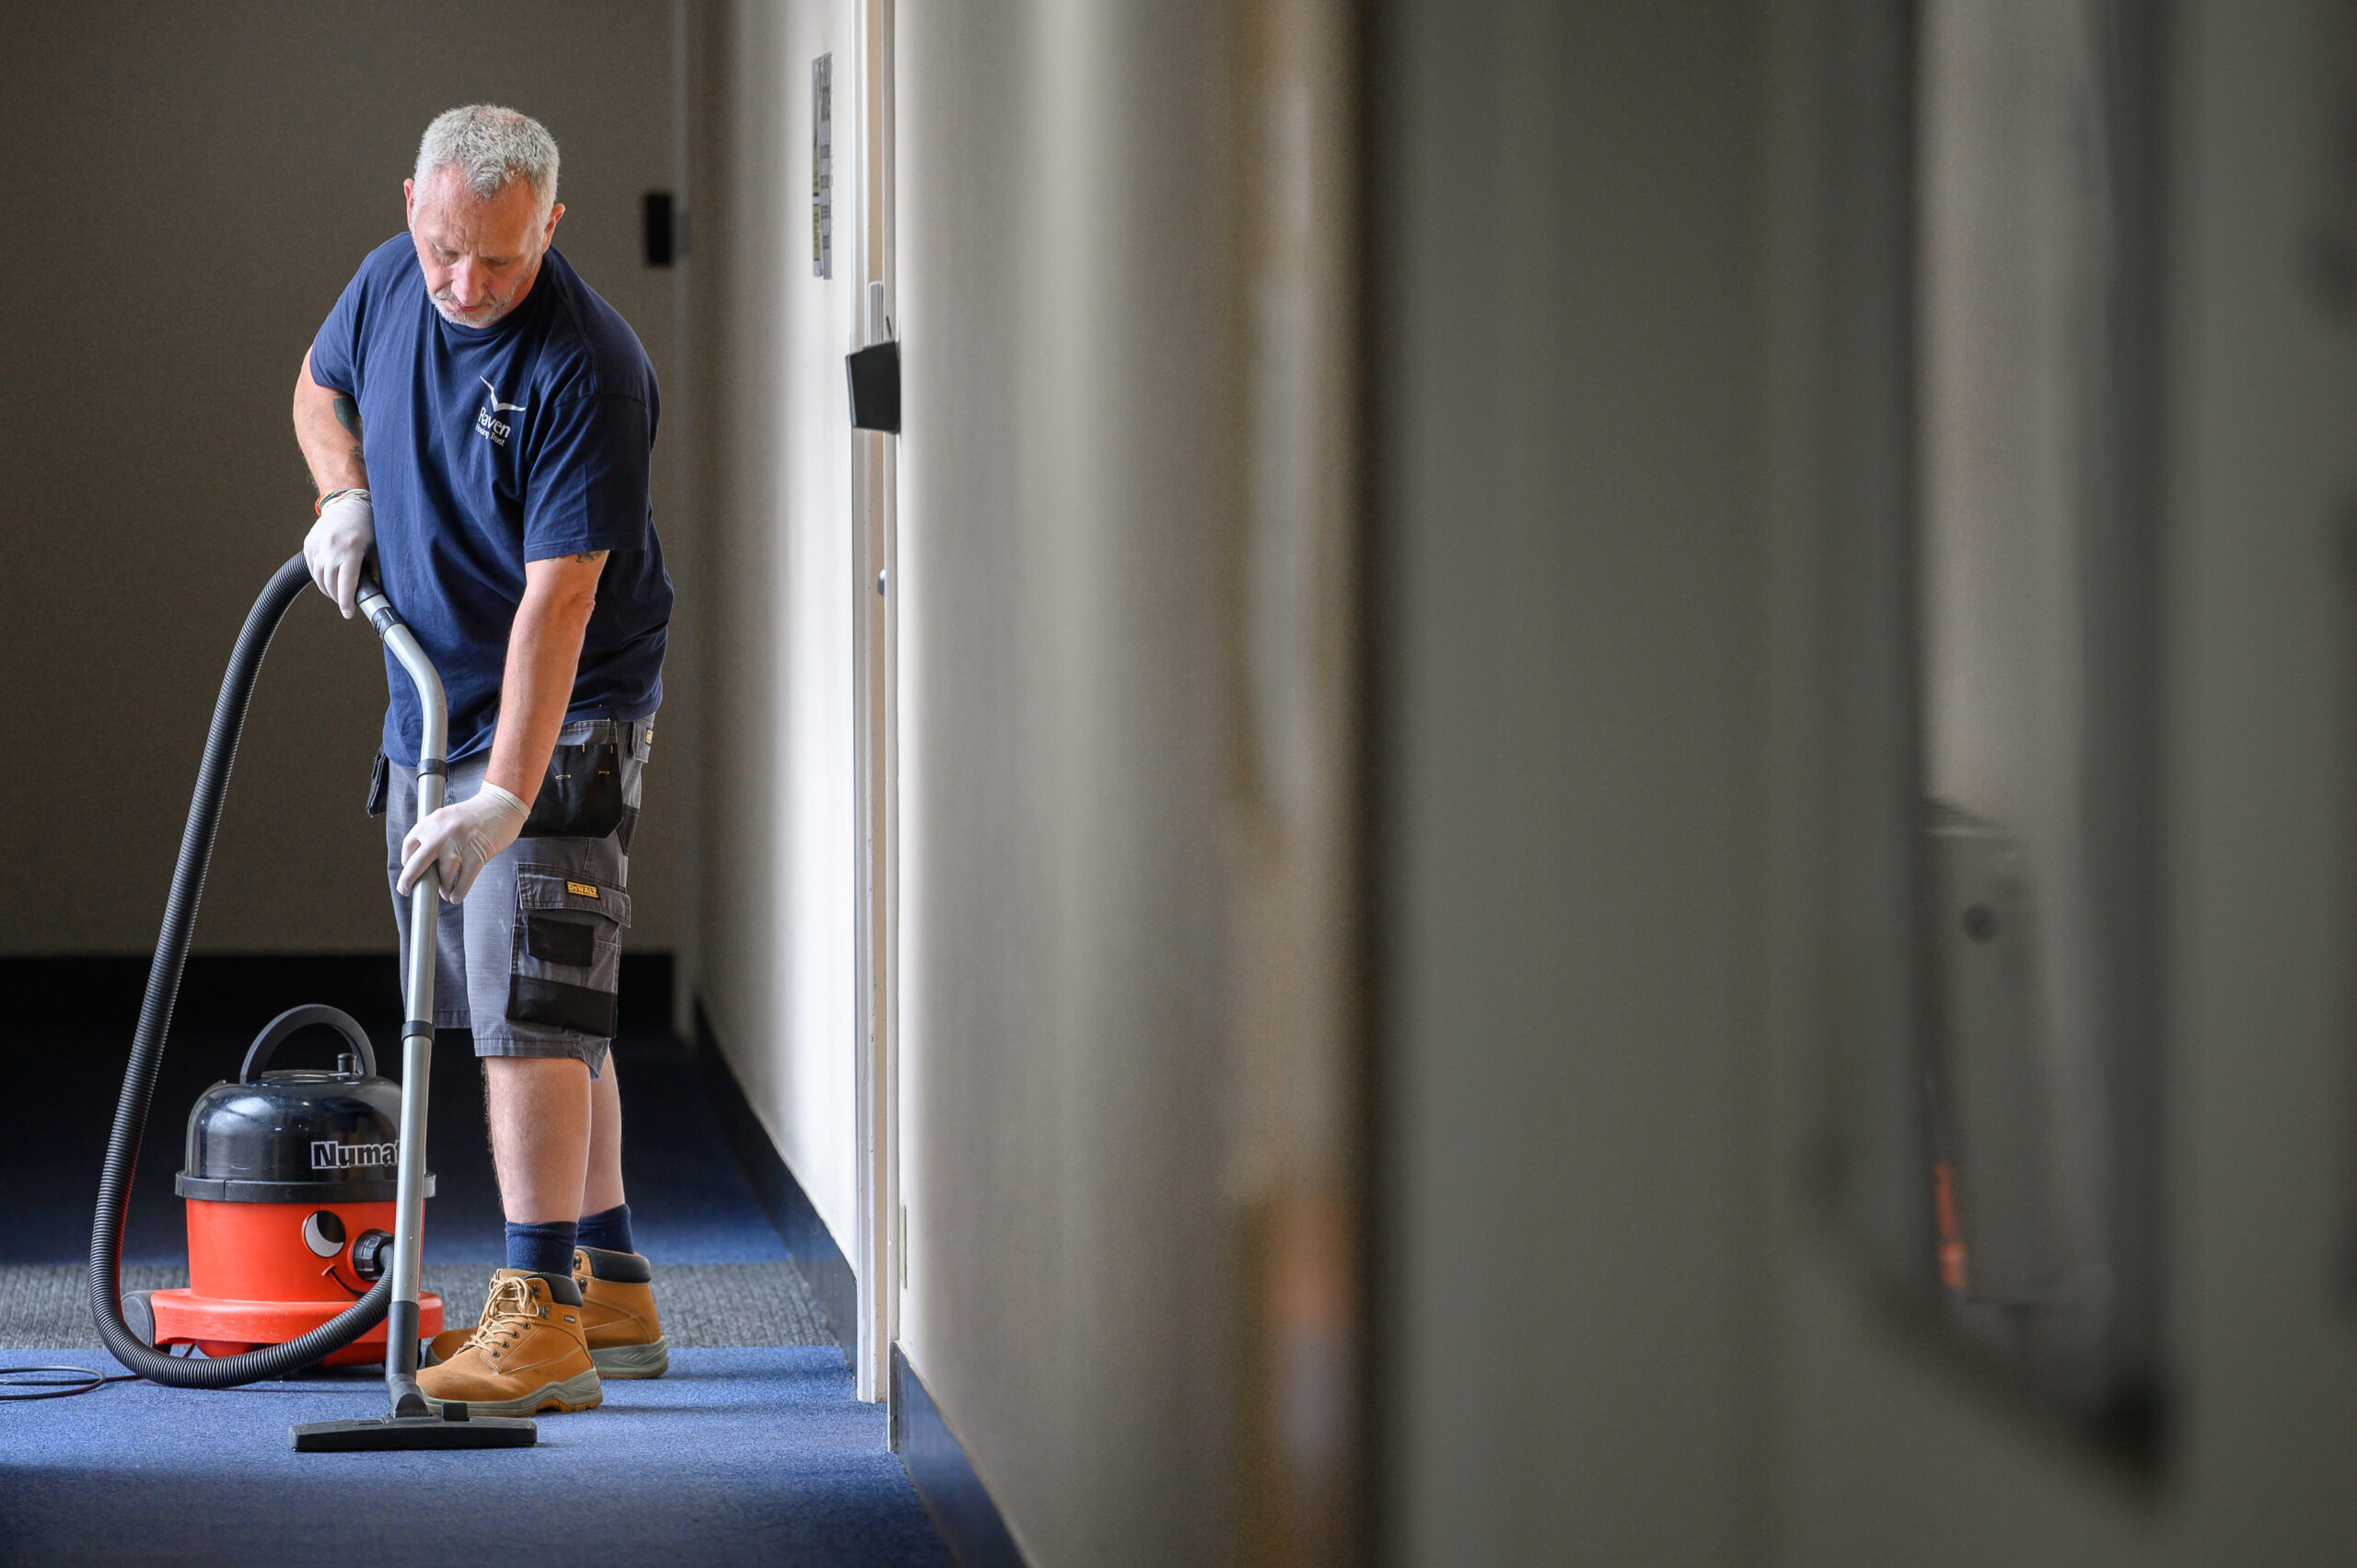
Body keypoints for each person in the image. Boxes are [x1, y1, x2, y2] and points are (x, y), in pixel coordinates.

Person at [293, 104, 672, 1416]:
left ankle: (545, 1317)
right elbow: (318, 382)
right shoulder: (391, 277)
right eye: (448, 248)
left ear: (549, 227)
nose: (466, 285)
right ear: (414, 204)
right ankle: (612, 1276)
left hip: (563, 706)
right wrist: (342, 490)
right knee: (552, 998)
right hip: (432, 695)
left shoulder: (589, 368)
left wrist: (507, 796)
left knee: (526, 1004)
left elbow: (557, 607)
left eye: (500, 263)